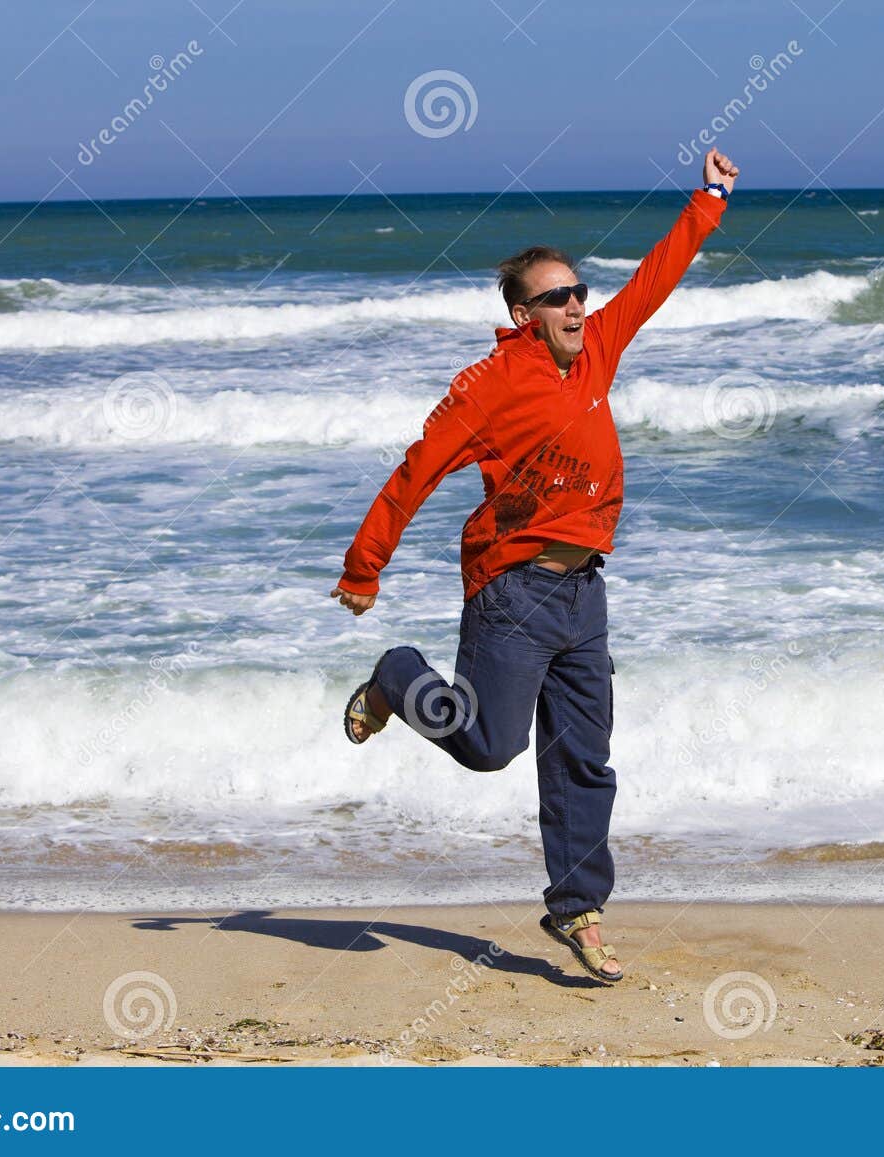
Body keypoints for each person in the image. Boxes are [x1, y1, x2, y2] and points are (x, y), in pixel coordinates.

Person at [330, 148, 741, 983]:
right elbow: (416, 470)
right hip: (512, 593)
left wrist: (709, 199)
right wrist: (365, 566)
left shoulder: (596, 352)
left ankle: (577, 908)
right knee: (487, 746)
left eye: (580, 290)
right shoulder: (488, 384)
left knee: (584, 759)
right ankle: (394, 677)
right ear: (524, 314)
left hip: (584, 592)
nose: (578, 305)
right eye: (557, 296)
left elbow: (655, 280)